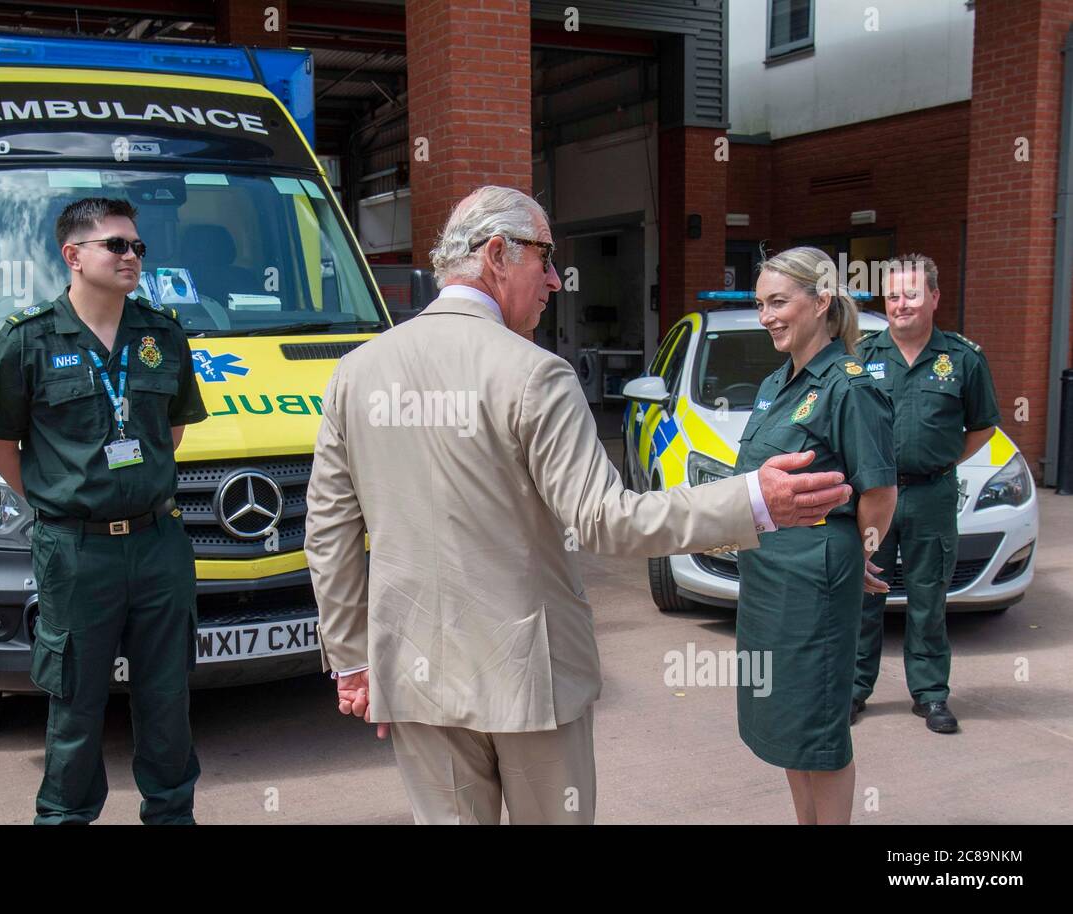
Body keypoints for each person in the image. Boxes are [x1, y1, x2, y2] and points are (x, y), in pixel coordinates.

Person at [304, 187, 855, 825]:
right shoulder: (534, 374)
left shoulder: (355, 373)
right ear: (495, 255)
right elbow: (606, 519)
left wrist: (351, 660)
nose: (554, 282)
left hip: (414, 678)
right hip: (528, 679)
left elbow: (329, 532)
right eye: (544, 258)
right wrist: (754, 499)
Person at [0, 197, 208, 824]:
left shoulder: (161, 333)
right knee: (75, 702)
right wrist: (62, 502)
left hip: (159, 544)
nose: (132, 256)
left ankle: (171, 816)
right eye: (117, 245)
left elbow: (171, 433)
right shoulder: (28, 341)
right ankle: (65, 818)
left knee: (166, 698)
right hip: (76, 552)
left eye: (138, 247)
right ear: (73, 256)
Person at [734, 246, 898, 825]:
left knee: (819, 728)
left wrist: (865, 553)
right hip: (768, 579)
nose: (766, 316)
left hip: (815, 583)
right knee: (788, 724)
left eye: (778, 301)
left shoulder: (849, 385)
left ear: (821, 300)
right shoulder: (779, 381)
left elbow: (878, 489)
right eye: (760, 304)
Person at [851, 254, 1001, 734]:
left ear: (934, 298)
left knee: (928, 599)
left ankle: (931, 694)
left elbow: (983, 426)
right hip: (875, 498)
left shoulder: (962, 358)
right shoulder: (861, 357)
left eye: (911, 294)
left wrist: (945, 461)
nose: (900, 304)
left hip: (931, 497)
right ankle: (854, 690)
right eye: (892, 296)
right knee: (863, 596)